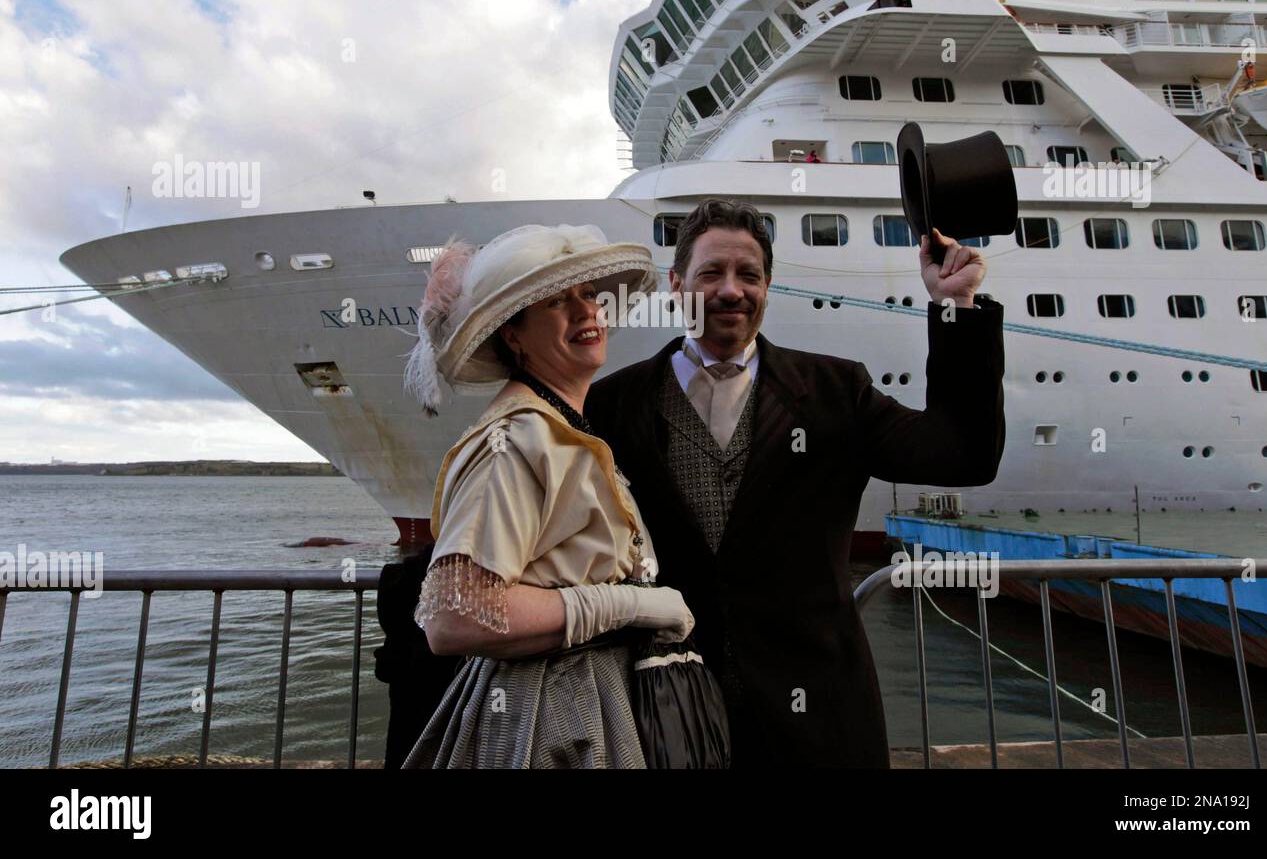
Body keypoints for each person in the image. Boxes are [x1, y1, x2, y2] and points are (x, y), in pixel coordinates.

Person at [585, 199, 1006, 768]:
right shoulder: (612, 405)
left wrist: (955, 305)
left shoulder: (836, 390)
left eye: (749, 275)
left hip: (819, 718)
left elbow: (963, 455)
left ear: (768, 285)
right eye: (711, 273)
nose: (731, 290)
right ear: (676, 282)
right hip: (668, 719)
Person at [399, 223, 714, 769]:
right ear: (513, 335)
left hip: (586, 704)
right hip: (546, 720)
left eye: (589, 295)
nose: (586, 312)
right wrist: (629, 604)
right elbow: (453, 618)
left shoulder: (557, 425)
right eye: (555, 302)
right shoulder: (517, 439)